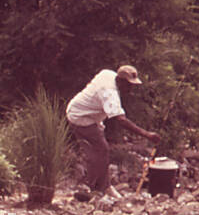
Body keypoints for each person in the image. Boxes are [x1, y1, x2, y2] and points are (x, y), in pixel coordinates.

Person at [65, 65, 160, 195]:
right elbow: (120, 120)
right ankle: (91, 188)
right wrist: (147, 134)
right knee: (100, 150)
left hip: (90, 116)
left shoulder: (108, 74)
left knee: (100, 150)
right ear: (120, 80)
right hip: (80, 116)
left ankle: (103, 186)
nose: (130, 89)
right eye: (128, 85)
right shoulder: (109, 92)